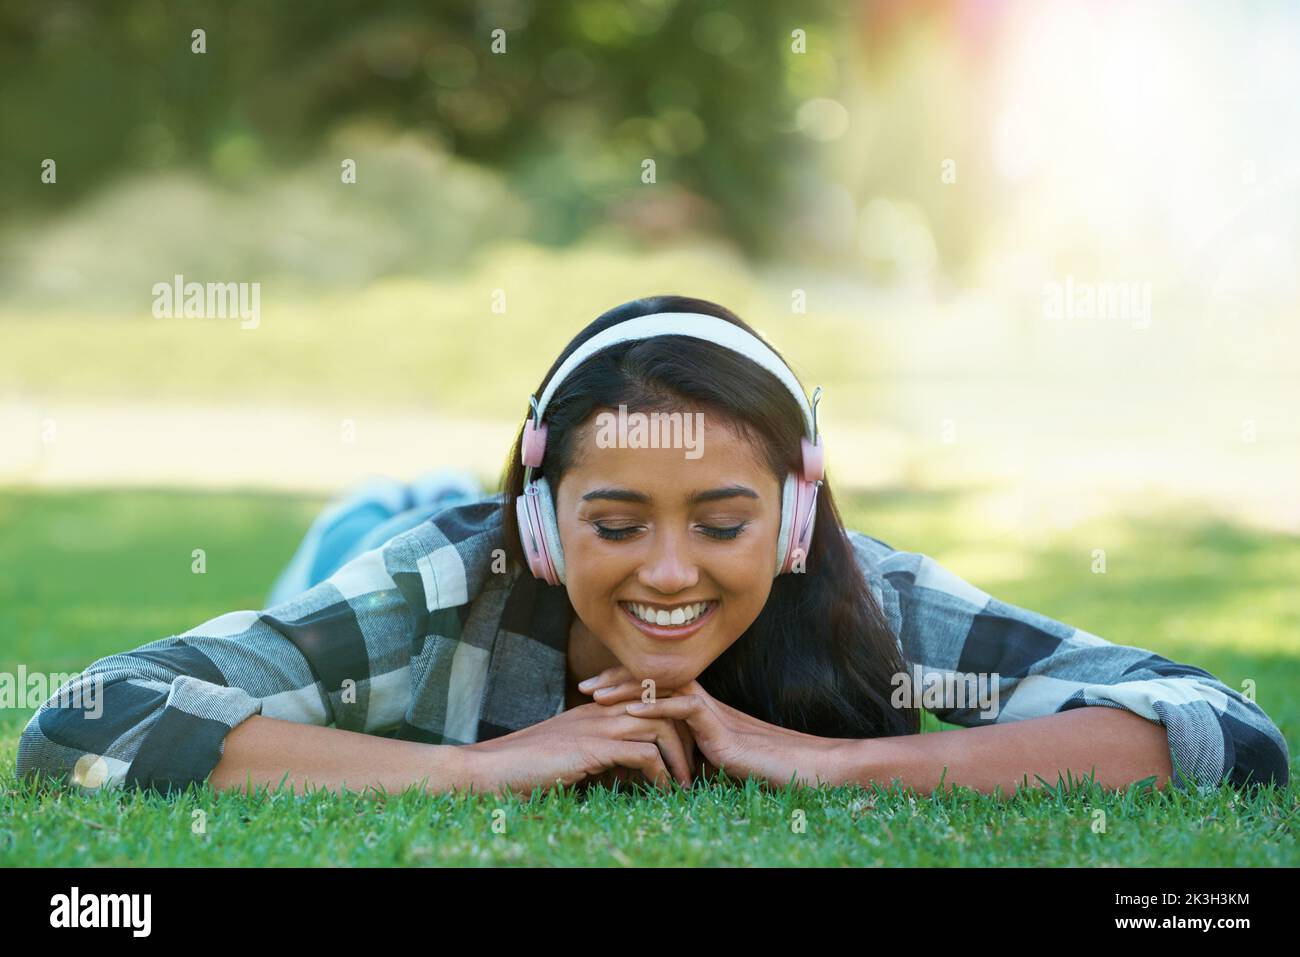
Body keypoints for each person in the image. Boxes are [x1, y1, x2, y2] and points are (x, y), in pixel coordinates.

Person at [15, 295, 1290, 799]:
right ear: (538, 517)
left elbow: (1226, 734)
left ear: (793, 518)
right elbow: (78, 723)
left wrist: (828, 764)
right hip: (372, 551)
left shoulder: (873, 597)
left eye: (722, 523)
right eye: (616, 523)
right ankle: (381, 498)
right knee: (361, 535)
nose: (671, 573)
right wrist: (494, 767)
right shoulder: (438, 587)